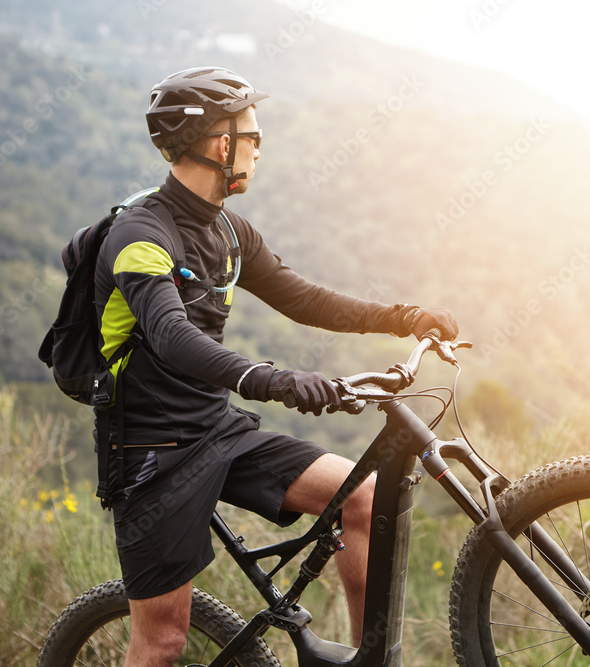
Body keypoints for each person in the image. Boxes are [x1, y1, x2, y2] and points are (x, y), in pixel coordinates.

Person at [94, 66, 457, 667]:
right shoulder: (141, 234)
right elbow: (170, 335)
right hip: (151, 453)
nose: (260, 145)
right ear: (220, 143)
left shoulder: (230, 232)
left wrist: (405, 317)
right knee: (162, 643)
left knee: (362, 498)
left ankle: (374, 661)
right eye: (252, 133)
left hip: (217, 428)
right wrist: (275, 380)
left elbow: (306, 299)